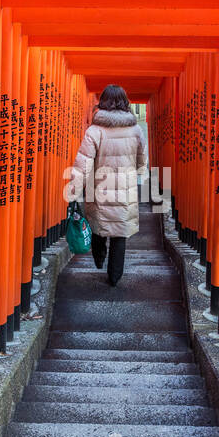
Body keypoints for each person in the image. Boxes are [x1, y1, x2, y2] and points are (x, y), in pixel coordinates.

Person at [70, 84, 147, 286]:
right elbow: (141, 160)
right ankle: (114, 276)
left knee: (99, 226)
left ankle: (99, 256)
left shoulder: (95, 131)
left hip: (99, 188)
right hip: (125, 189)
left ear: (102, 102)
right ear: (125, 102)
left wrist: (74, 189)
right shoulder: (136, 130)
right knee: (119, 233)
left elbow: (83, 162)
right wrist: (135, 171)